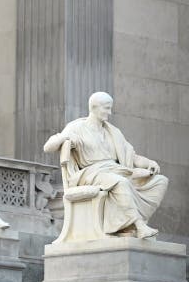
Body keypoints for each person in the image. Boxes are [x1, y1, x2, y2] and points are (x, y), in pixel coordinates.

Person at [43, 91, 168, 238]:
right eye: (106, 108)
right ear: (94, 107)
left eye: (110, 108)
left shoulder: (113, 132)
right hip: (91, 173)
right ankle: (139, 225)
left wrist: (149, 163)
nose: (110, 112)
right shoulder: (77, 127)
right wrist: (65, 137)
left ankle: (126, 225)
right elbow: (47, 147)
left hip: (116, 171)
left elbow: (132, 156)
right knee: (120, 182)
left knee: (160, 181)